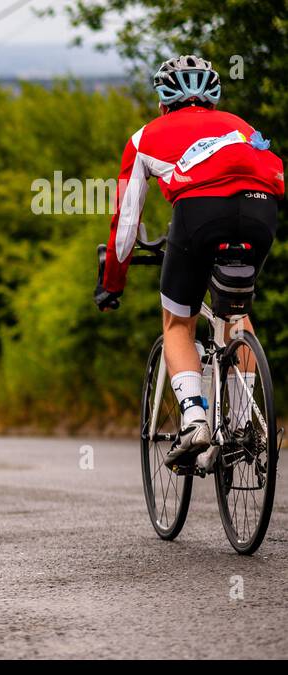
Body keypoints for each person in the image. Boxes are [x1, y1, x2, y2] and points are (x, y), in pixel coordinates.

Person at [95, 55, 284, 467]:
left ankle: (195, 419)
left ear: (163, 102)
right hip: (261, 210)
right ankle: (241, 423)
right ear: (214, 102)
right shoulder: (241, 126)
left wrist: (113, 282)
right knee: (237, 312)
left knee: (178, 322)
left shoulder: (145, 136)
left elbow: (126, 225)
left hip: (199, 213)